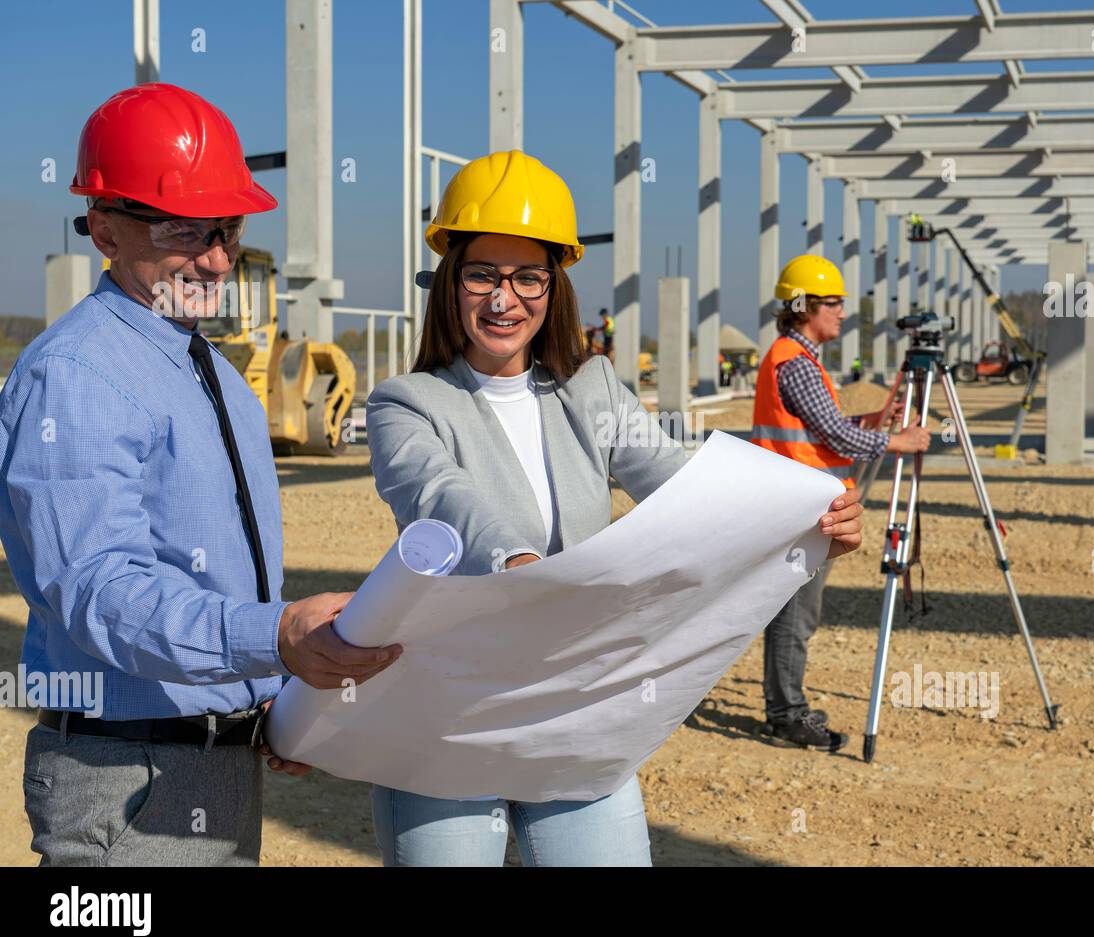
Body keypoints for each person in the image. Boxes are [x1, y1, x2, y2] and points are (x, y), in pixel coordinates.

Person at [364, 150, 865, 866]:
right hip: (451, 718)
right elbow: (442, 499)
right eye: (482, 274)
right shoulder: (406, 404)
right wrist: (522, 566)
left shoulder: (594, 390)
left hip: (577, 712)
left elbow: (685, 491)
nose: (504, 299)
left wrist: (806, 521)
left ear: (554, 285)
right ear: (450, 281)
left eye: (527, 276)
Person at [0, 84, 401, 867]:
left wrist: (274, 703)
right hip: (128, 779)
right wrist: (276, 636)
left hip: (213, 765)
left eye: (228, 226)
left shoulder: (211, 373)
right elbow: (99, 591)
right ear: (106, 228)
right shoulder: (76, 376)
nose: (217, 257)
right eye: (186, 227)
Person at [751, 254, 931, 752]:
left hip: (800, 501)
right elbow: (832, 433)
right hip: (800, 507)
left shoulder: (798, 359)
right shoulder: (795, 360)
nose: (841, 312)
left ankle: (785, 708)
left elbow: (822, 430)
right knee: (795, 613)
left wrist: (874, 418)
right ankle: (786, 716)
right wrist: (902, 442)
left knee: (797, 610)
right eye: (832, 303)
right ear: (803, 305)